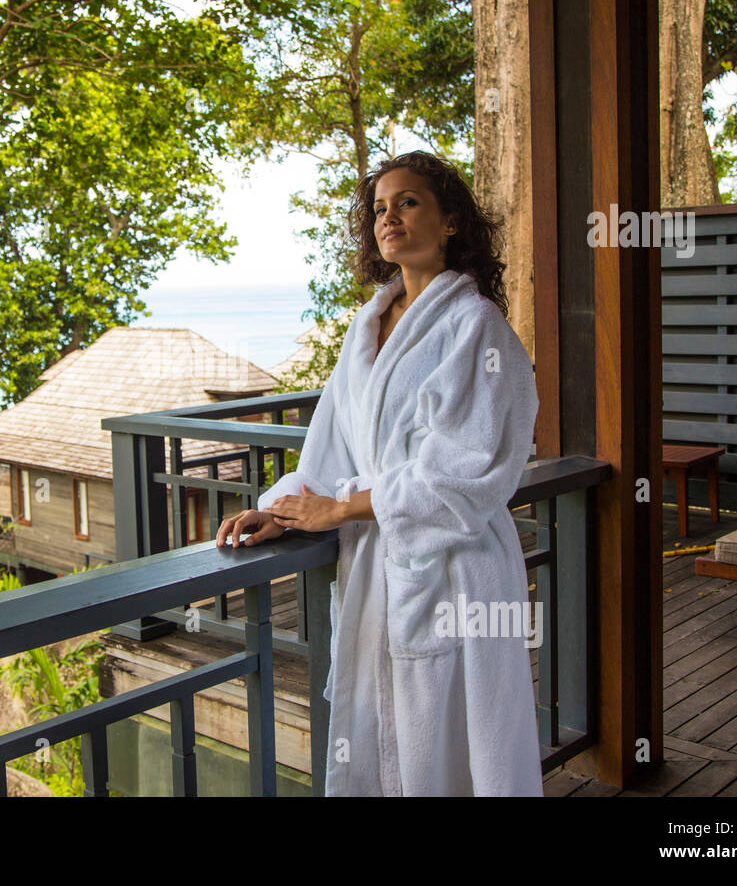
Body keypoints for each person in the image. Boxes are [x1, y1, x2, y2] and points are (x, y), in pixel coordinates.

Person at [216, 150, 541, 796]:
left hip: (456, 570)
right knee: (382, 743)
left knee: (456, 747)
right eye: (379, 208)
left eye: (409, 201)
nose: (389, 217)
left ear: (450, 221)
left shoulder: (478, 329)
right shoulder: (368, 327)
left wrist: (339, 511)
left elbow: (466, 473)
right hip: (379, 569)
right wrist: (281, 510)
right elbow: (331, 453)